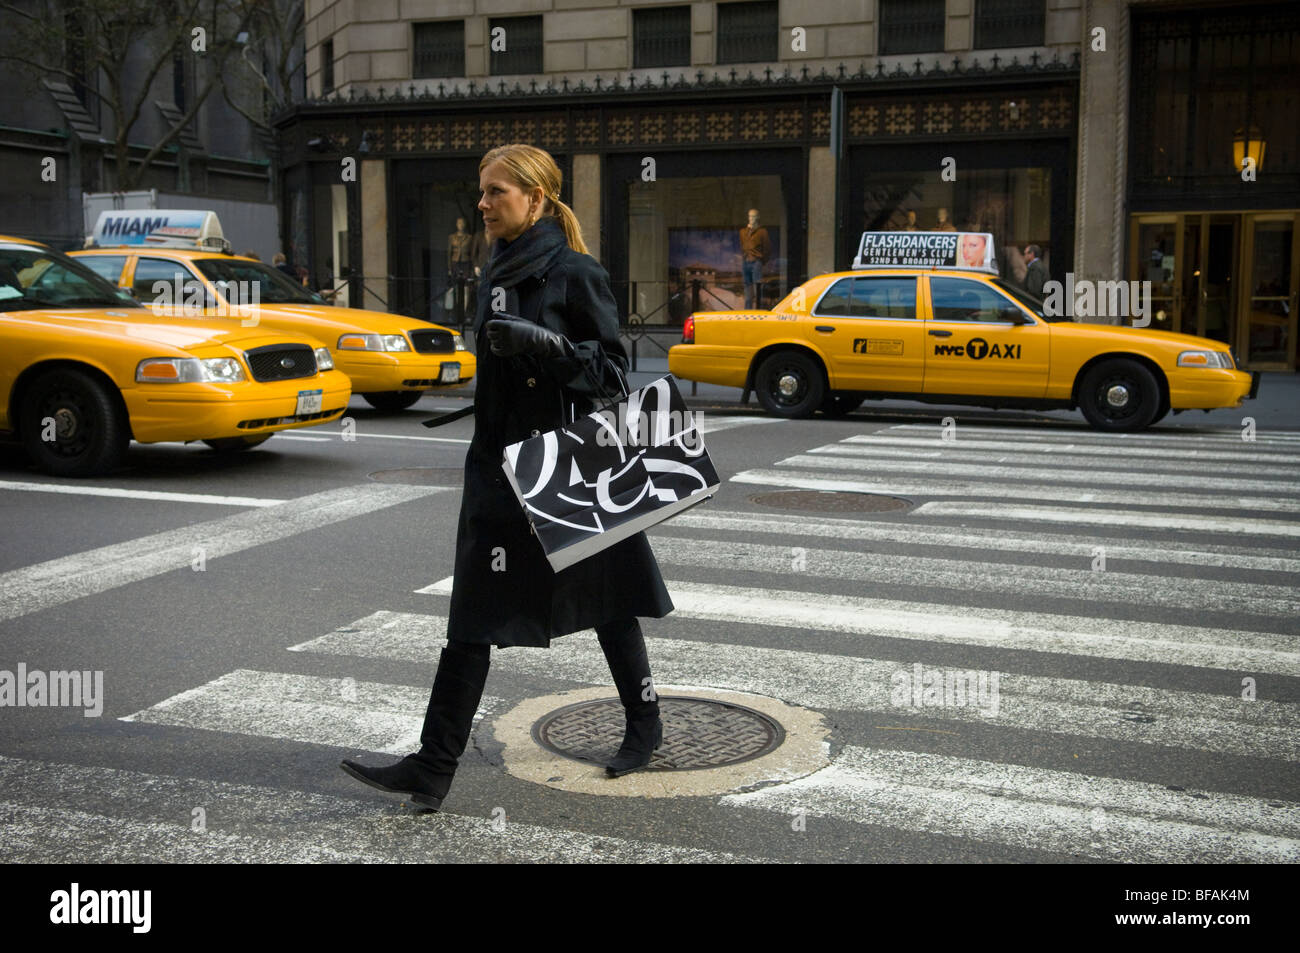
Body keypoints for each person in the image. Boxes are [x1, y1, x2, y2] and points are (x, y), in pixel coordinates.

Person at [340, 143, 674, 811]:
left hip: (564, 464)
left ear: (537, 200)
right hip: (497, 469)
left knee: (609, 599)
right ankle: (433, 768)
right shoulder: (495, 266)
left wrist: (544, 346)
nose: (483, 203)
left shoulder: (576, 272)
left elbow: (611, 374)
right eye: (482, 191)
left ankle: (645, 724)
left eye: (497, 192)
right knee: (473, 617)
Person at [739, 208, 770, 308]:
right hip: (746, 261)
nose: (751, 218)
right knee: (747, 288)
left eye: (754, 216)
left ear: (758, 217)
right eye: (750, 216)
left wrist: (761, 261)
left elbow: (767, 248)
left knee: (757, 288)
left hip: (756, 261)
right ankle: (748, 310)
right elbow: (742, 245)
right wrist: (744, 257)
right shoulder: (743, 232)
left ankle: (758, 309)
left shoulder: (762, 232)